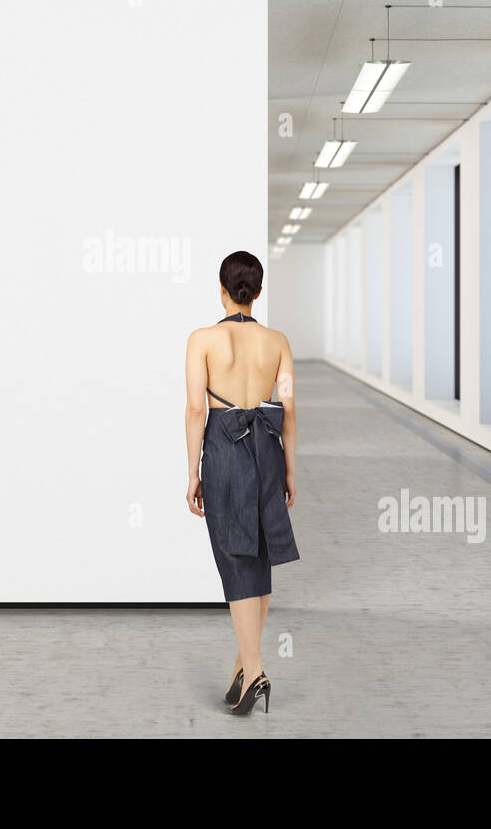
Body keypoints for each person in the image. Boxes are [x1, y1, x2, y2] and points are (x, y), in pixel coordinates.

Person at [184, 250, 299, 716]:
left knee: (235, 561)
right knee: (261, 559)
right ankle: (242, 665)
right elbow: (288, 407)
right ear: (259, 289)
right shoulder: (278, 341)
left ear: (221, 286)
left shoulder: (202, 339)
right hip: (268, 452)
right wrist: (290, 468)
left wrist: (192, 471)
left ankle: (255, 670)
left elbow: (196, 410)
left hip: (225, 453)